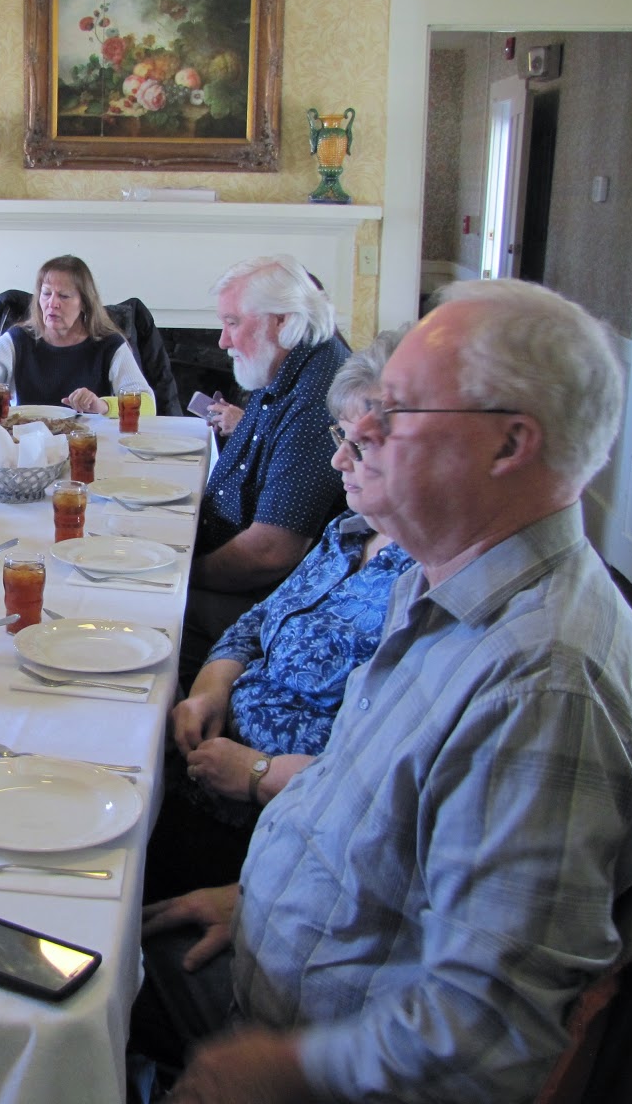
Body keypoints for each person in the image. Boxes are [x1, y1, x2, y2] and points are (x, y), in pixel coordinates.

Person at [136, 281, 632, 1103]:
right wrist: (257, 900)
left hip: (303, 1057)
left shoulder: (544, 685)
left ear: (511, 445)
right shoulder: (444, 583)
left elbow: (490, 1031)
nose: (356, 435)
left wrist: (286, 1072)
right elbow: (368, 804)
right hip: (260, 952)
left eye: (394, 411)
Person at [144, 328, 415, 900]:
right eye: (341, 437)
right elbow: (258, 621)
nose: (338, 458)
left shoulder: (425, 588)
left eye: (360, 446)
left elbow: (386, 788)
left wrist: (258, 775)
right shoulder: (351, 532)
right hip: (208, 765)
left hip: (274, 837)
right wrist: (209, 691)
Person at [181, 255, 350, 680]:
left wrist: (184, 573)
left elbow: (271, 552)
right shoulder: (284, 368)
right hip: (229, 570)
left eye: (233, 322)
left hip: (259, 603)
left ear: (282, 321)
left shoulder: (318, 397)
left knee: (131, 609)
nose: (222, 341)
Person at [0, 254, 155, 416]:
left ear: (84, 303)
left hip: (85, 444)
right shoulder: (19, 338)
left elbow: (147, 404)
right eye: (46, 293)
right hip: (27, 445)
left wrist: (103, 405)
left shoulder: (109, 344)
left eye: (64, 296)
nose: (52, 303)